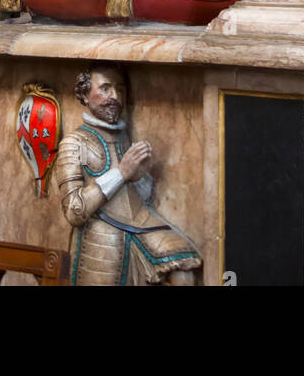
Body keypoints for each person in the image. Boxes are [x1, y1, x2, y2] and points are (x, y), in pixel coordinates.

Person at [54, 65, 201, 285]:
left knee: (183, 268)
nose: (114, 97)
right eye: (105, 88)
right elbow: (74, 211)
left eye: (119, 89)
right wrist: (121, 173)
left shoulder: (123, 139)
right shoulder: (74, 144)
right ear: (85, 94)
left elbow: (136, 200)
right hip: (100, 235)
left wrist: (139, 177)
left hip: (138, 225)